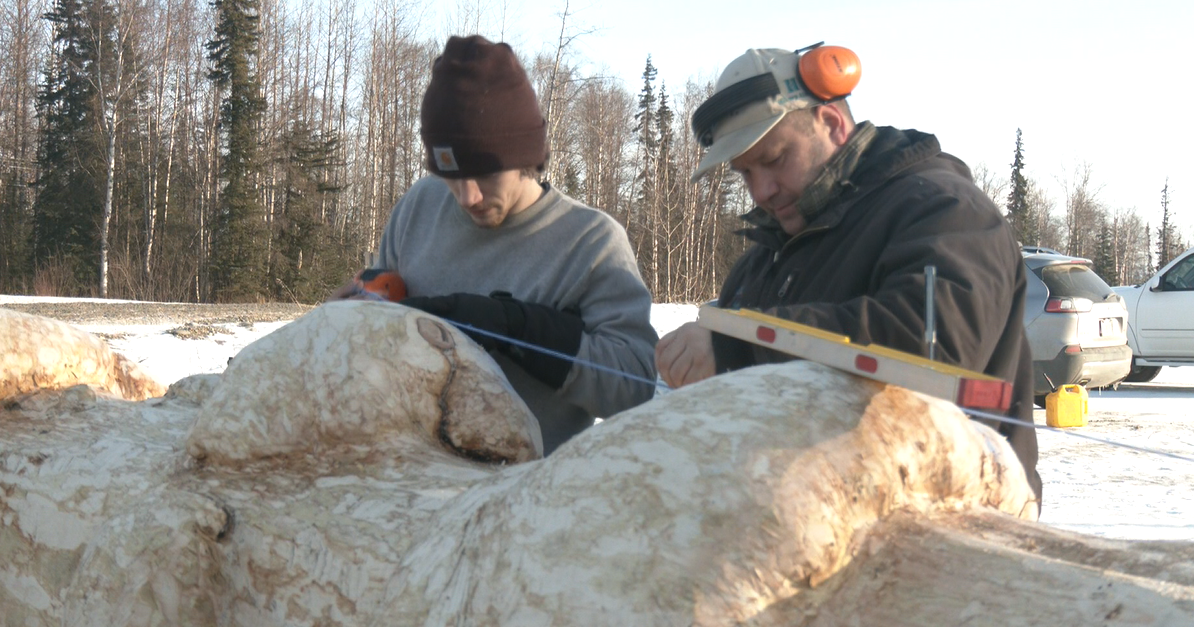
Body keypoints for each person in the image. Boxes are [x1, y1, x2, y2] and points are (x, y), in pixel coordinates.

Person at [655, 44, 1042, 504]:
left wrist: (736, 347)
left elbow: (933, 350)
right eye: (745, 173)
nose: (761, 191)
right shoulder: (764, 258)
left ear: (833, 124)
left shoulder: (945, 211)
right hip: (813, 523)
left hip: (953, 526)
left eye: (775, 159)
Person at [336, 35, 657, 455]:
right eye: (450, 174)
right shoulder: (419, 207)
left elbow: (635, 382)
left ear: (525, 157)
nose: (466, 196)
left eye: (484, 175)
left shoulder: (590, 242)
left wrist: (518, 328)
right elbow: (380, 319)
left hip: (526, 497)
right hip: (410, 481)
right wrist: (349, 322)